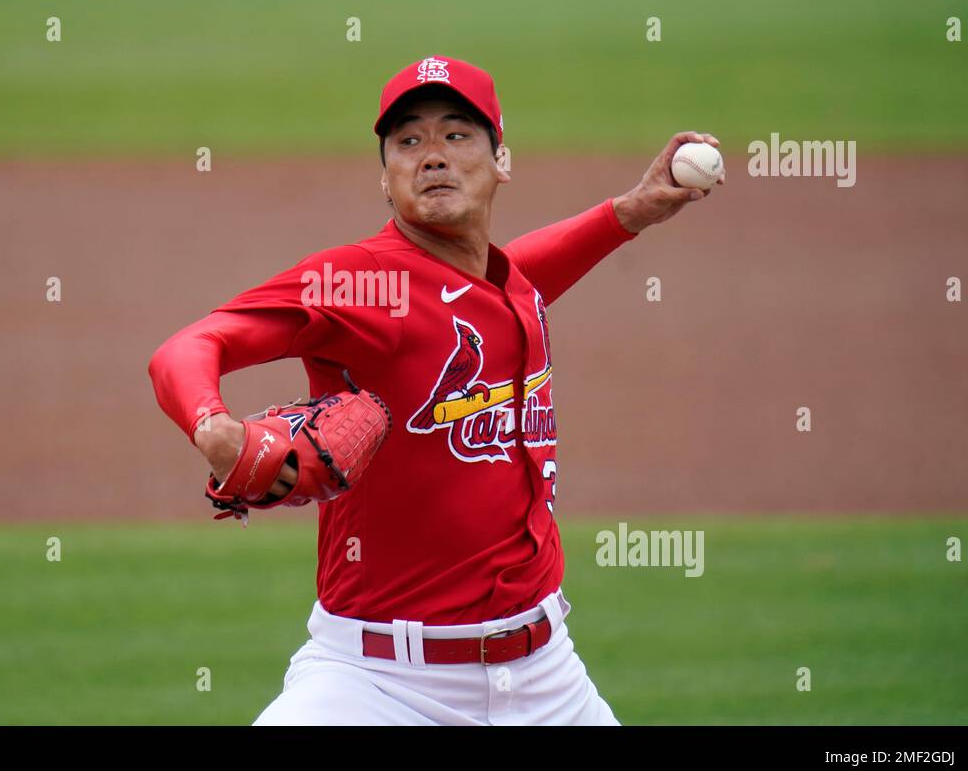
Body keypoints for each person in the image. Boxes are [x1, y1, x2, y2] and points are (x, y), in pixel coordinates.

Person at [149, 55, 718, 725]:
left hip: (547, 680)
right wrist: (214, 425)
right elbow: (185, 349)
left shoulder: (505, 285)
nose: (432, 156)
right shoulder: (361, 282)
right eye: (409, 141)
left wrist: (632, 211)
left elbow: (523, 274)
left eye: (457, 135)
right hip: (377, 686)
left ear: (501, 160)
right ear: (385, 179)